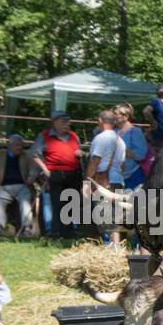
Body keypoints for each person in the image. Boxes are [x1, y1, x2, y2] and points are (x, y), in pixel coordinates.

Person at [29, 111, 81, 239]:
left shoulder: (73, 136)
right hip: (56, 174)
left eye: (68, 122)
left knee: (72, 202)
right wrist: (45, 170)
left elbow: (78, 149)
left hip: (73, 174)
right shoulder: (45, 135)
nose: (67, 124)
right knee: (57, 204)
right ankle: (56, 233)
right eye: (63, 122)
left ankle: (70, 233)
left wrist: (79, 152)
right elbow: (33, 153)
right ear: (55, 122)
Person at [84, 110, 127, 244]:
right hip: (118, 180)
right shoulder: (120, 140)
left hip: (103, 182)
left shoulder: (100, 138)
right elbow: (122, 164)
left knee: (104, 214)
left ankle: (110, 244)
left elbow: (95, 161)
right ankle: (116, 244)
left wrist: (87, 181)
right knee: (116, 214)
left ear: (101, 121)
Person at [0, 134, 39, 237]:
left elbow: (34, 168)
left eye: (21, 145)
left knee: (25, 203)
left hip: (22, 186)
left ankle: (27, 228)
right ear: (9, 145)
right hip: (4, 187)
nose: (20, 147)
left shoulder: (26, 156)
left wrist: (32, 175)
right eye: (17, 145)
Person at [114, 103, 149, 189]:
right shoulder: (114, 131)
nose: (112, 116)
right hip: (117, 176)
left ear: (126, 117)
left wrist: (123, 149)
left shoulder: (135, 132)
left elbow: (141, 155)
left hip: (133, 176)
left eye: (115, 114)